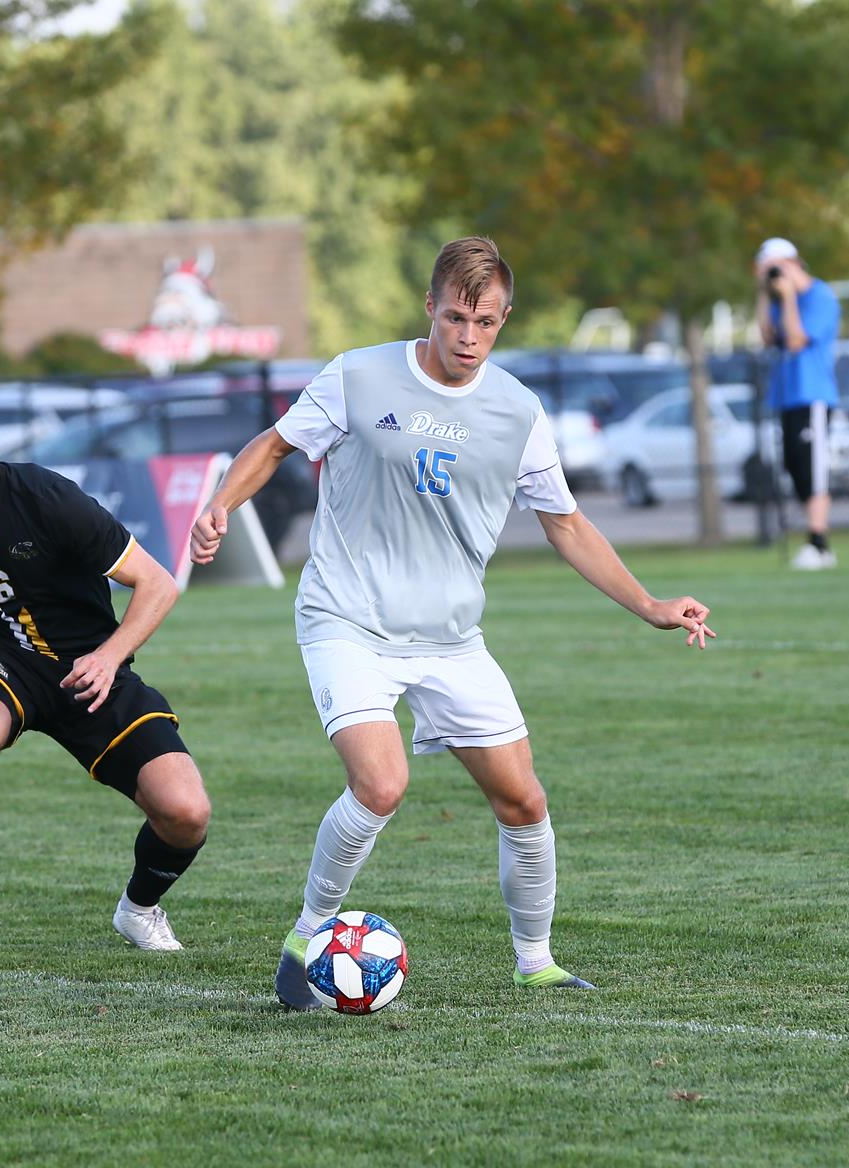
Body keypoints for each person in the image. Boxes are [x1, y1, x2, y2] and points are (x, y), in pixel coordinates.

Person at [190, 237, 715, 1009]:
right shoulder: (359, 375)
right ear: (430, 308)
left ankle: (535, 961)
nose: (470, 337)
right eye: (458, 317)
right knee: (381, 782)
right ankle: (307, 937)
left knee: (523, 801)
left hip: (449, 639)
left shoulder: (516, 411)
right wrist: (220, 506)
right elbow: (274, 446)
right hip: (348, 619)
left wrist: (651, 605)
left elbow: (566, 524)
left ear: (504, 321)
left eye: (488, 322)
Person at [0, 392, 211, 966]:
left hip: (90, 667)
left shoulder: (50, 499)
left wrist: (108, 657)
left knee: (186, 812)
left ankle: (139, 909)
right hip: (5, 661)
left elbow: (158, 584)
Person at [756, 238, 842, 571]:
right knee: (794, 466)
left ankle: (819, 544)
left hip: (813, 395)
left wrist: (790, 295)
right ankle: (816, 543)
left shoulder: (819, 297)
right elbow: (767, 336)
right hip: (787, 396)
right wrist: (764, 292)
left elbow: (794, 340)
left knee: (812, 468)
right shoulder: (777, 300)